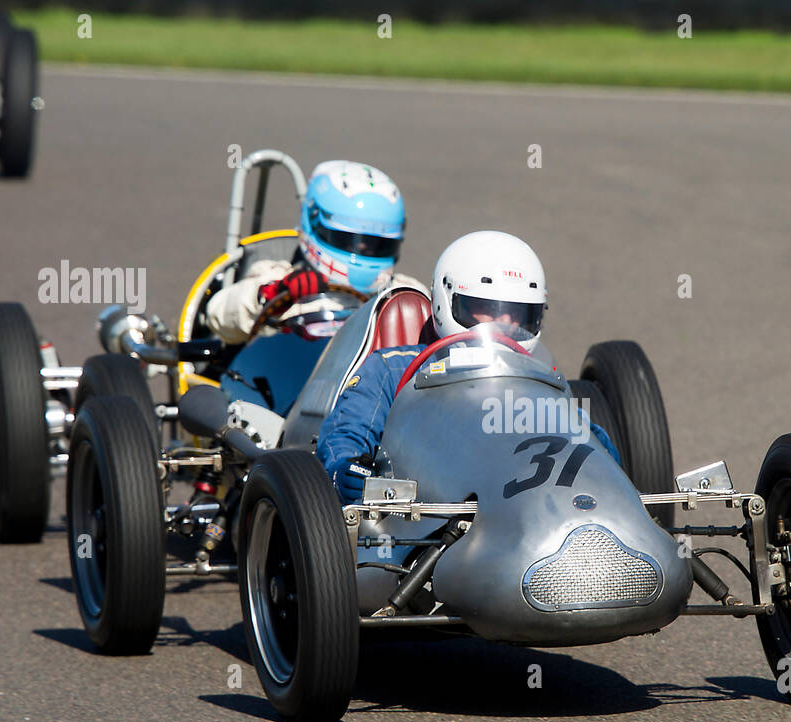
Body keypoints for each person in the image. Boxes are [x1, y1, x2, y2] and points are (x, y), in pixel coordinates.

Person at [317, 230, 617, 504]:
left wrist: (613, 474)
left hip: (526, 509)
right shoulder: (392, 369)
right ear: (446, 301)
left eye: (519, 315)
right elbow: (345, 438)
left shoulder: (539, 378)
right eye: (488, 309)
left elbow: (598, 451)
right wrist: (345, 469)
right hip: (423, 523)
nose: (506, 325)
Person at [206, 159, 423, 344]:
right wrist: (275, 295)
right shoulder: (276, 276)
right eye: (350, 241)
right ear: (314, 223)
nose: (363, 248)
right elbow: (218, 316)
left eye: (377, 244)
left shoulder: (404, 293)